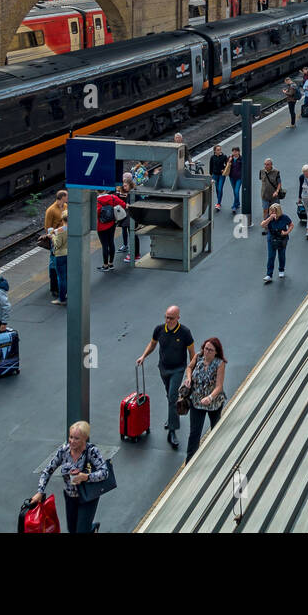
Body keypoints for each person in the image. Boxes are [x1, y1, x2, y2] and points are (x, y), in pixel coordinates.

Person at [30, 421, 111, 534]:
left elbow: (105, 472)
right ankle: (92, 529)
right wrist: (40, 491)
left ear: (85, 438)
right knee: (72, 530)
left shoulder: (92, 451)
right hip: (70, 497)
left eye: (76, 438)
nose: (72, 441)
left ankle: (87, 529)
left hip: (88, 497)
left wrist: (86, 477)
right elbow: (47, 471)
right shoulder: (64, 451)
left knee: (81, 531)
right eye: (71, 437)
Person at [136, 305, 195, 450]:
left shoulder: (185, 333)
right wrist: (143, 356)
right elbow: (153, 344)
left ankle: (172, 431)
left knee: (173, 396)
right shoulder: (159, 329)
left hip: (178, 369)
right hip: (163, 368)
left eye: (171, 318)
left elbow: (192, 353)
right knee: (170, 396)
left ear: (178, 318)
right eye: (166, 317)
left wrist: (191, 373)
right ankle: (171, 419)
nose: (168, 320)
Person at [183, 338, 228, 459]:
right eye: (205, 348)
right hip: (197, 402)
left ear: (216, 352)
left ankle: (217, 456)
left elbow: (219, 386)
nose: (206, 351)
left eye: (210, 350)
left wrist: (210, 397)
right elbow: (189, 368)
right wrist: (188, 378)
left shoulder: (219, 364)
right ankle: (190, 461)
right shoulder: (198, 356)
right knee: (194, 434)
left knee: (216, 430)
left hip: (213, 403)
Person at [44, 190, 68, 303]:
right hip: (56, 239)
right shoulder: (51, 210)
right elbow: (47, 226)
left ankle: (61, 289)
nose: (68, 198)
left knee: (60, 267)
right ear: (62, 197)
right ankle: (54, 287)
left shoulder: (66, 206)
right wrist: (53, 235)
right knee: (53, 264)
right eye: (66, 196)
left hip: (64, 237)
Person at [261, 203, 293, 283]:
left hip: (282, 238)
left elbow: (291, 225)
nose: (271, 213)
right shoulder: (270, 217)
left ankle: (281, 269)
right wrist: (270, 218)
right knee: (271, 256)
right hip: (272, 237)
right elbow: (262, 225)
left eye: (273, 212)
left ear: (278, 211)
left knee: (281, 255)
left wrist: (286, 232)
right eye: (270, 211)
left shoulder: (284, 217)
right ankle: (269, 274)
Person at [96, 189, 125, 271]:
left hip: (101, 225)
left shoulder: (97, 201)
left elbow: (96, 213)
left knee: (104, 245)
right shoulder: (113, 197)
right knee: (111, 242)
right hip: (112, 224)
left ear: (97, 191)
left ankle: (105, 266)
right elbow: (123, 204)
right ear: (105, 190)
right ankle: (111, 264)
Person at [258, 158, 284, 231]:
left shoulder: (276, 172)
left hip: (274, 196)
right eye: (265, 164)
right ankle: (266, 226)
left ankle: (277, 225)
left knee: (276, 211)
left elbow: (279, 183)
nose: (266, 166)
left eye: (268, 164)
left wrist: (277, 191)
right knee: (265, 210)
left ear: (271, 165)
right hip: (264, 195)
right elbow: (262, 181)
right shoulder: (261, 171)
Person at [50, 217, 68, 303]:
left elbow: (57, 245)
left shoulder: (61, 231)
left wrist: (53, 236)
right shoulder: (75, 227)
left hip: (61, 255)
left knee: (61, 278)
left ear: (63, 220)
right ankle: (67, 293)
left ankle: (62, 298)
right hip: (70, 254)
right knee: (68, 276)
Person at [209, 144, 228, 211]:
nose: (219, 151)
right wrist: (211, 175)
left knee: (220, 188)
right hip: (214, 175)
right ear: (214, 151)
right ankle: (219, 200)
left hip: (222, 175)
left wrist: (224, 169)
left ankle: (218, 203)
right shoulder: (212, 157)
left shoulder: (224, 156)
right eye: (218, 150)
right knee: (217, 189)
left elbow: (227, 165)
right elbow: (211, 166)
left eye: (220, 149)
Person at [227, 146, 243, 214]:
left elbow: (243, 168)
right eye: (233, 151)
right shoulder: (230, 158)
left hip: (239, 178)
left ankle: (234, 206)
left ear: (239, 152)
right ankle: (238, 203)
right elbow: (227, 166)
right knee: (234, 191)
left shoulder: (241, 158)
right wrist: (229, 161)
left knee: (236, 191)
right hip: (232, 177)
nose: (234, 153)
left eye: (236, 151)